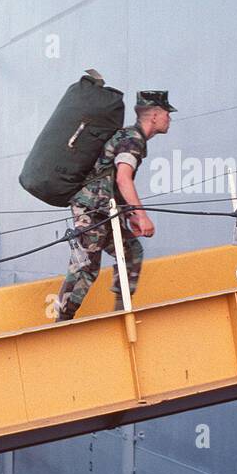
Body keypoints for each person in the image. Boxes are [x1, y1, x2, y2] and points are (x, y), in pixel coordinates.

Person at [55, 90, 176, 321]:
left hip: (104, 210)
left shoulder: (130, 137)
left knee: (131, 251)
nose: (169, 118)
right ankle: (61, 322)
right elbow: (123, 178)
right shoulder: (133, 139)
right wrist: (142, 216)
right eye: (167, 114)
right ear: (154, 115)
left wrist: (128, 212)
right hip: (92, 209)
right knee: (86, 266)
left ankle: (121, 311)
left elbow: (112, 179)